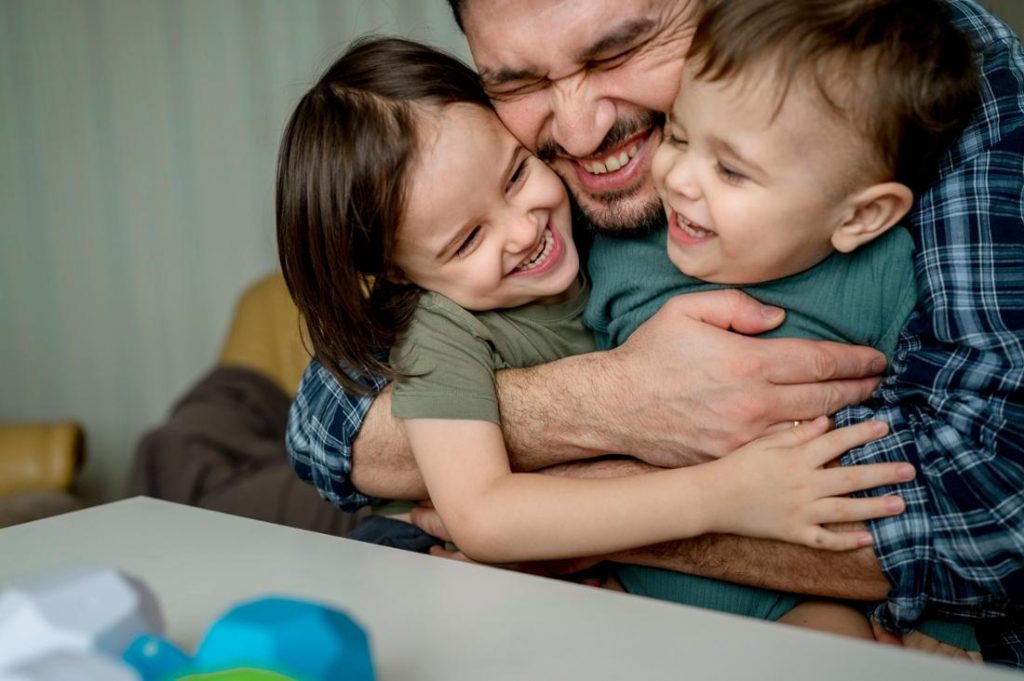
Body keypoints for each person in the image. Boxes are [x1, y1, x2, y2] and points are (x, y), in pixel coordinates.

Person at [286, 0, 1024, 666]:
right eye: (518, 81)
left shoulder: (911, 72)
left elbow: (992, 494)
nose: (577, 134)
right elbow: (329, 423)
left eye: (615, 52)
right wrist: (620, 405)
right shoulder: (495, 183)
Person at [594, 0, 980, 650]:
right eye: (680, 135)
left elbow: (915, 463)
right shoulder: (623, 249)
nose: (678, 178)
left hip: (801, 601)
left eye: (733, 169)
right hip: (628, 589)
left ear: (859, 217)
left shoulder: (885, 277)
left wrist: (936, 631)